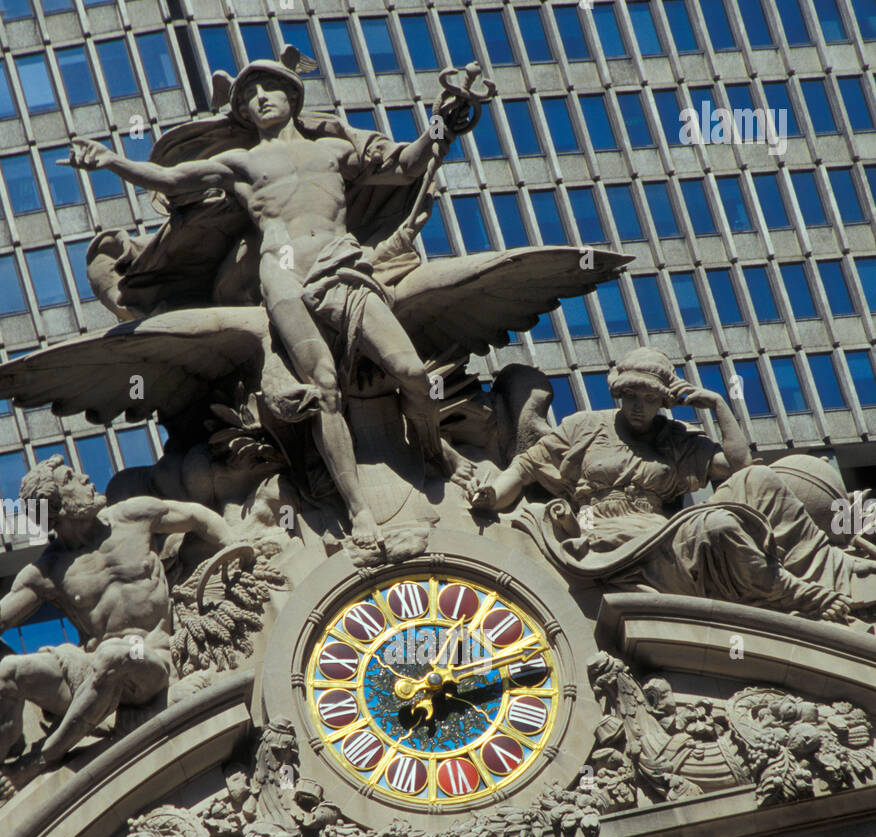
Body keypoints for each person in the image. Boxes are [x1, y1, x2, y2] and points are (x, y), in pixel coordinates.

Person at [68, 58, 456, 554]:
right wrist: (111, 162)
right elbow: (171, 179)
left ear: (293, 97)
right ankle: (359, 508)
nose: (261, 98)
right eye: (251, 94)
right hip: (284, 271)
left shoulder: (334, 149)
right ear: (245, 113)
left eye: (271, 88)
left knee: (412, 371)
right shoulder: (243, 164)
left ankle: (427, 438)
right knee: (323, 389)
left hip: (342, 264)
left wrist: (442, 121)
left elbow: (405, 166)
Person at [467, 347, 876, 622]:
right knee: (720, 526)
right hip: (604, 536)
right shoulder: (585, 426)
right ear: (618, 393)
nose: (638, 407)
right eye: (630, 396)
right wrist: (493, 494)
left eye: (648, 398)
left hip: (661, 532)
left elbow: (739, 464)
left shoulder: (674, 437)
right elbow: (524, 468)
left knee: (761, 477)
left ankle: (834, 571)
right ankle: (791, 592)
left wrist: (716, 404)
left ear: (664, 400)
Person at [0, 457, 236, 765]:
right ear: (56, 506)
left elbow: (196, 515)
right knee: (7, 675)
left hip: (150, 654)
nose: (85, 478)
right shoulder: (47, 570)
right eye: (70, 478)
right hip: (89, 667)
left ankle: (40, 760)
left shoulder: (130, 516)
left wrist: (238, 546)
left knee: (115, 653)